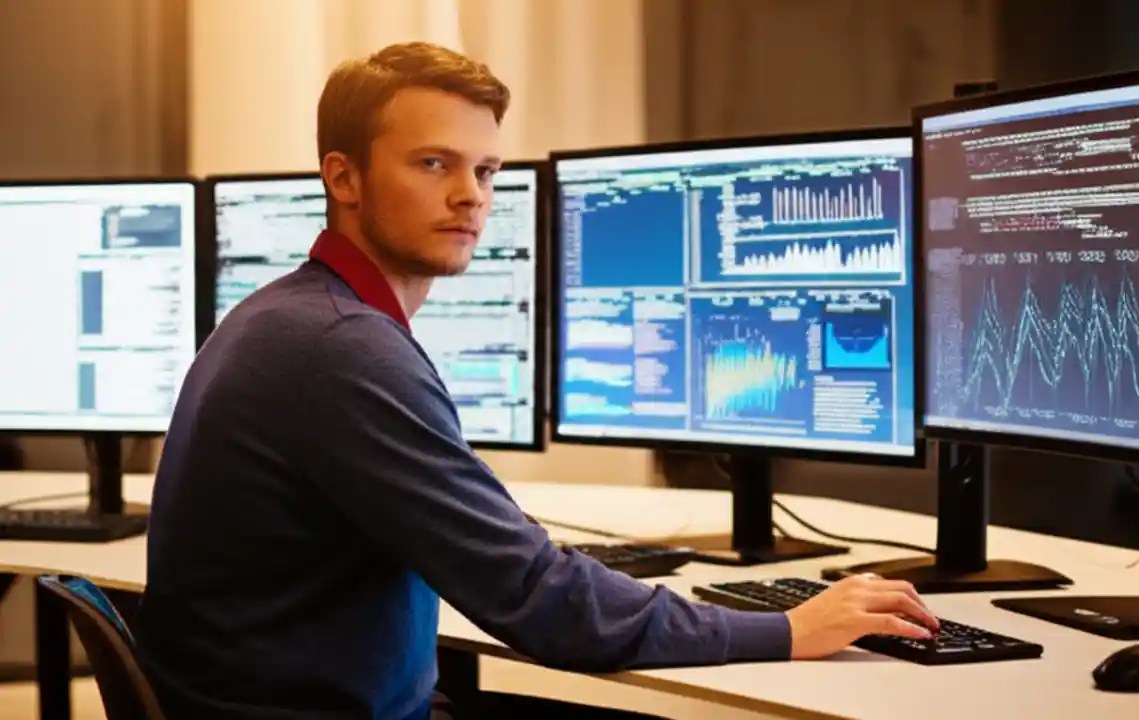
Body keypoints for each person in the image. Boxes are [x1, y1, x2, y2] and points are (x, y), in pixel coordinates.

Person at [133, 41, 940, 720]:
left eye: (486, 170)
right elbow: (546, 606)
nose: (470, 197)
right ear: (343, 179)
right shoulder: (341, 348)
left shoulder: (302, 317)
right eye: (433, 164)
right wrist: (788, 630)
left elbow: (502, 560)